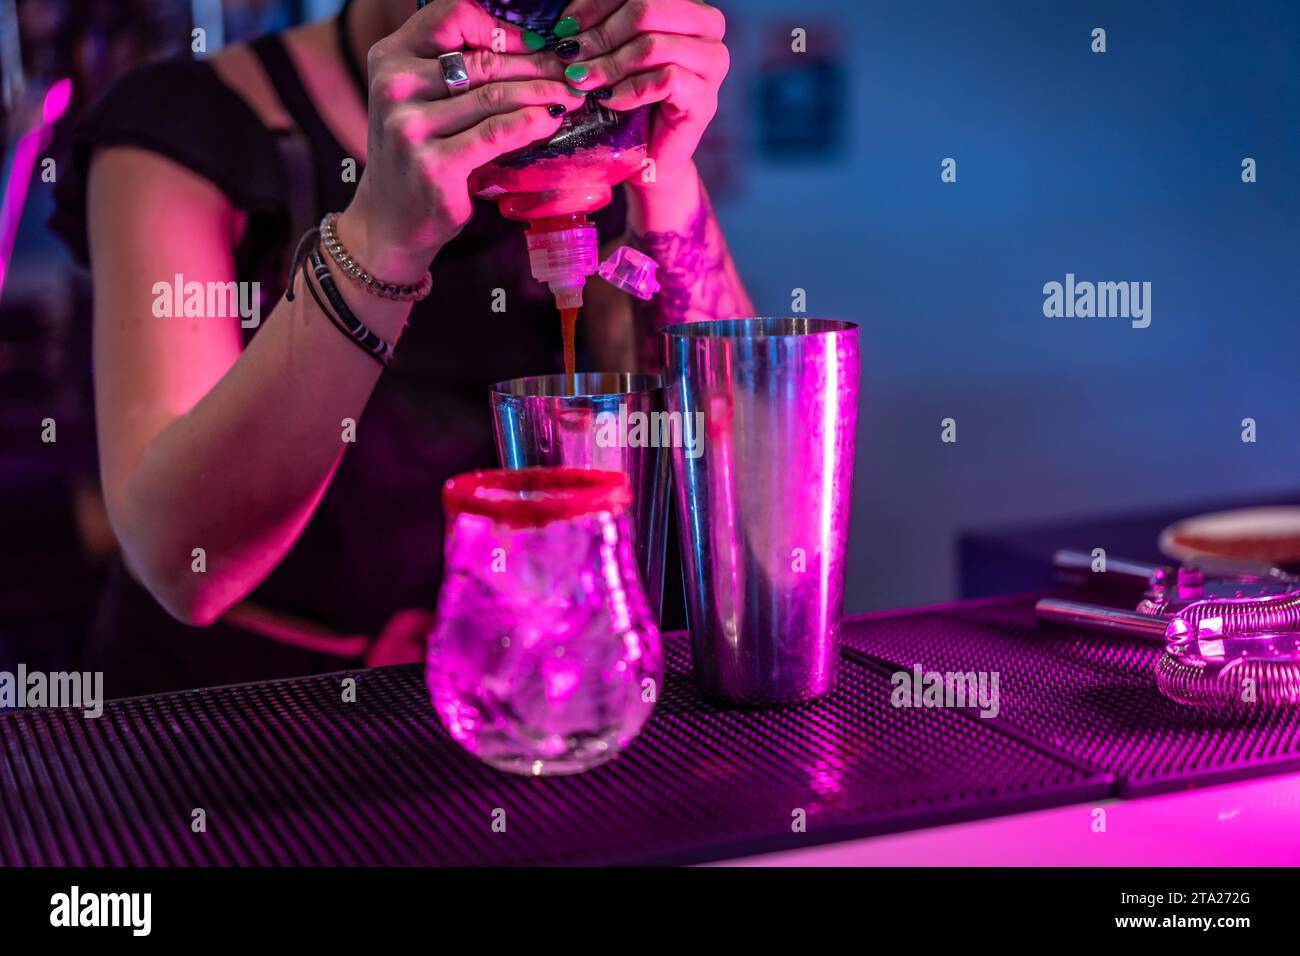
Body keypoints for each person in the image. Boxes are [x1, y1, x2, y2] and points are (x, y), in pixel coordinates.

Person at [49, 0, 752, 695]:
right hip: (234, 728)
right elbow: (183, 566)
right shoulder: (186, 125)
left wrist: (665, 178)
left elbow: (740, 506)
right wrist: (384, 235)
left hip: (511, 698)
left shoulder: (582, 114)